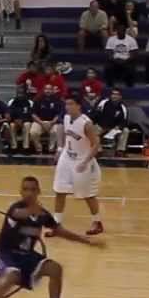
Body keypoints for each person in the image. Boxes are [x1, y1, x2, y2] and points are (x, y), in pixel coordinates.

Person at [0, 176, 104, 298]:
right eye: (26, 189)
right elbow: (20, 214)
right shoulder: (15, 209)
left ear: (38, 192)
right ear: (21, 192)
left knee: (55, 269)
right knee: (12, 274)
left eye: (32, 189)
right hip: (4, 253)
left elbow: (60, 231)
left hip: (26, 255)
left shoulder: (42, 214)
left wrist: (86, 241)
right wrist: (33, 210)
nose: (29, 193)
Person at [52, 95, 103, 235]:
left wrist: (85, 162)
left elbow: (96, 144)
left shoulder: (86, 123)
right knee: (59, 190)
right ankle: (56, 223)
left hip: (82, 160)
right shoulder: (67, 118)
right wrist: (60, 148)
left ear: (79, 105)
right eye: (66, 104)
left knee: (87, 194)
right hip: (67, 157)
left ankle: (97, 222)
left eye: (71, 104)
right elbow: (63, 131)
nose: (67, 107)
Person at [95, 87, 130, 157]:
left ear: (120, 96)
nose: (114, 96)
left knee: (126, 130)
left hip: (114, 128)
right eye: (113, 94)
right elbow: (96, 114)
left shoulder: (123, 107)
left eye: (117, 94)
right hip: (101, 125)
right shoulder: (103, 103)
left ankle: (120, 150)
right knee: (92, 129)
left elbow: (125, 121)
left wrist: (119, 126)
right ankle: (98, 150)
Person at [31, 83, 64, 154]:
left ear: (52, 90)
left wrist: (52, 122)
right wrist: (41, 123)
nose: (47, 91)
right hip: (40, 122)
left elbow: (59, 114)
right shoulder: (38, 99)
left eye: (49, 89)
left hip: (53, 122)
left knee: (56, 131)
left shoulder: (57, 99)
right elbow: (33, 114)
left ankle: (51, 149)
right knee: (33, 132)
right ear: (43, 90)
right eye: (46, 89)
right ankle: (38, 148)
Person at [103, 22, 139, 89]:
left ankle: (129, 85)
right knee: (108, 67)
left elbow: (134, 53)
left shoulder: (131, 40)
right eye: (119, 30)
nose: (120, 31)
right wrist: (114, 60)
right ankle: (110, 85)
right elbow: (108, 52)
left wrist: (126, 60)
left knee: (131, 67)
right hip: (114, 60)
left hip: (127, 60)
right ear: (116, 31)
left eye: (122, 30)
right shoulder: (111, 39)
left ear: (125, 31)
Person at [6, 85, 34, 153]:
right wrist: (14, 120)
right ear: (16, 93)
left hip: (25, 121)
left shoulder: (30, 102)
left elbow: (31, 115)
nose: (20, 95)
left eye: (22, 93)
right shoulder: (12, 101)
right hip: (15, 122)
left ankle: (26, 147)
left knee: (27, 125)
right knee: (12, 125)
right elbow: (9, 113)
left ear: (25, 93)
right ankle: (14, 147)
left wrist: (23, 120)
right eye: (19, 93)